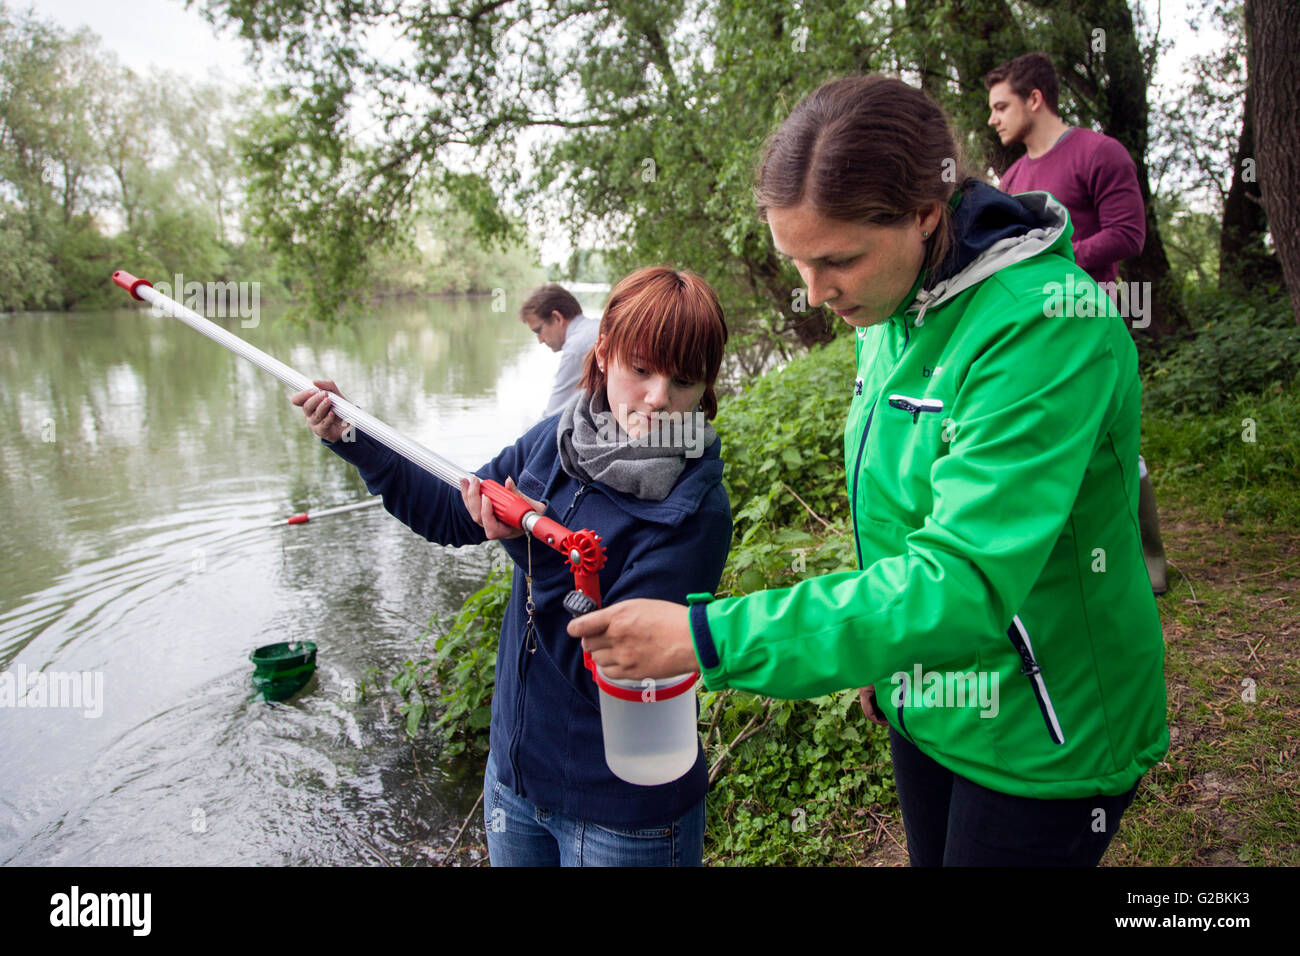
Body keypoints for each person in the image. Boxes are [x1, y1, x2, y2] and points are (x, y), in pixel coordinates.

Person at [569, 75, 1169, 866]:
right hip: (928, 691)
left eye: (837, 260)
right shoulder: (892, 302)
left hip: (1044, 725)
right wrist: (877, 656)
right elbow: (902, 509)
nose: (816, 295)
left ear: (926, 213)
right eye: (797, 264)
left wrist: (708, 637)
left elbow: (962, 583)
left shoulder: (1048, 329)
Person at [292, 266, 732, 866]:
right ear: (604, 356)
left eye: (683, 381)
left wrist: (541, 557)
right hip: (515, 783)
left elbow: (623, 677)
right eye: (642, 370)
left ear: (704, 386)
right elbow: (453, 509)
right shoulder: (558, 437)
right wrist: (356, 434)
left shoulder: (695, 509)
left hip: (624, 818)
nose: (658, 398)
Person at [986, 51, 1167, 593]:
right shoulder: (1013, 176)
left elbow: (1128, 233)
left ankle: (1148, 565)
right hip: (1032, 332)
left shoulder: (1099, 151)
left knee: (1113, 443)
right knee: (1051, 442)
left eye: (1001, 106)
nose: (993, 119)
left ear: (1034, 99)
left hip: (1092, 320)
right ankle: (1072, 572)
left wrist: (1058, 261)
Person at [520, 283, 602, 417]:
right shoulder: (596, 327)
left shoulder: (576, 348)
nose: (540, 340)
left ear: (557, 318)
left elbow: (553, 415)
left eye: (538, 331)